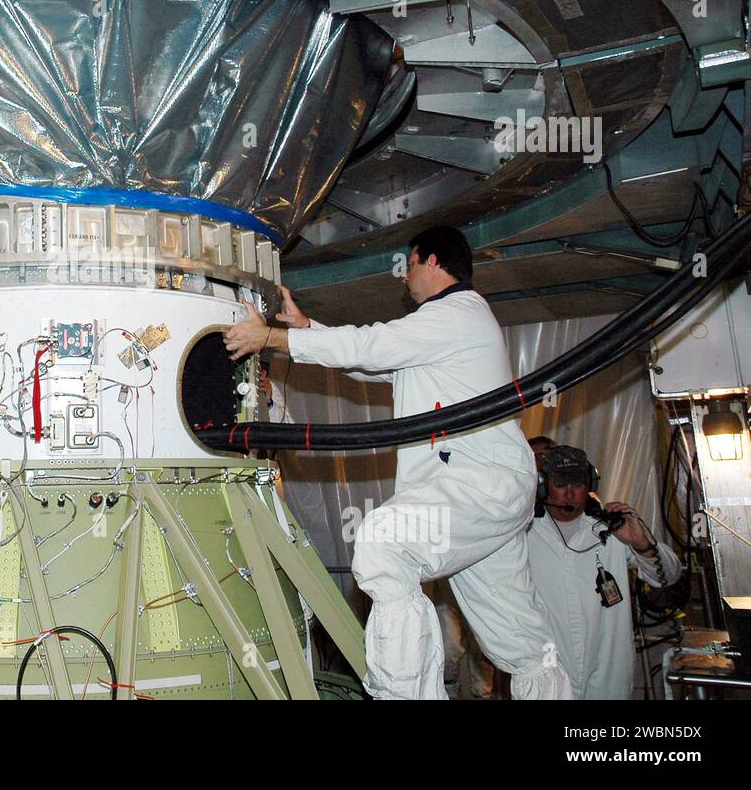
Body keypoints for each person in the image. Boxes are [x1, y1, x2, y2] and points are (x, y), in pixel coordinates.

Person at [224, 225, 572, 700]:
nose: (404, 279)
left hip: (480, 484)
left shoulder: (456, 314)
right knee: (522, 641)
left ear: (432, 262)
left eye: (409, 266)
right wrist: (305, 329)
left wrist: (273, 338)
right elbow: (374, 362)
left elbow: (374, 344)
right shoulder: (449, 331)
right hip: (491, 495)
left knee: (384, 545)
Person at [526, 443, 683, 699]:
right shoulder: (525, 533)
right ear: (543, 485)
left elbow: (668, 575)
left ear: (590, 484)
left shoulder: (612, 530)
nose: (569, 493)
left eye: (577, 483)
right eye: (560, 483)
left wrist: (642, 544)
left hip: (609, 675)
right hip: (551, 673)